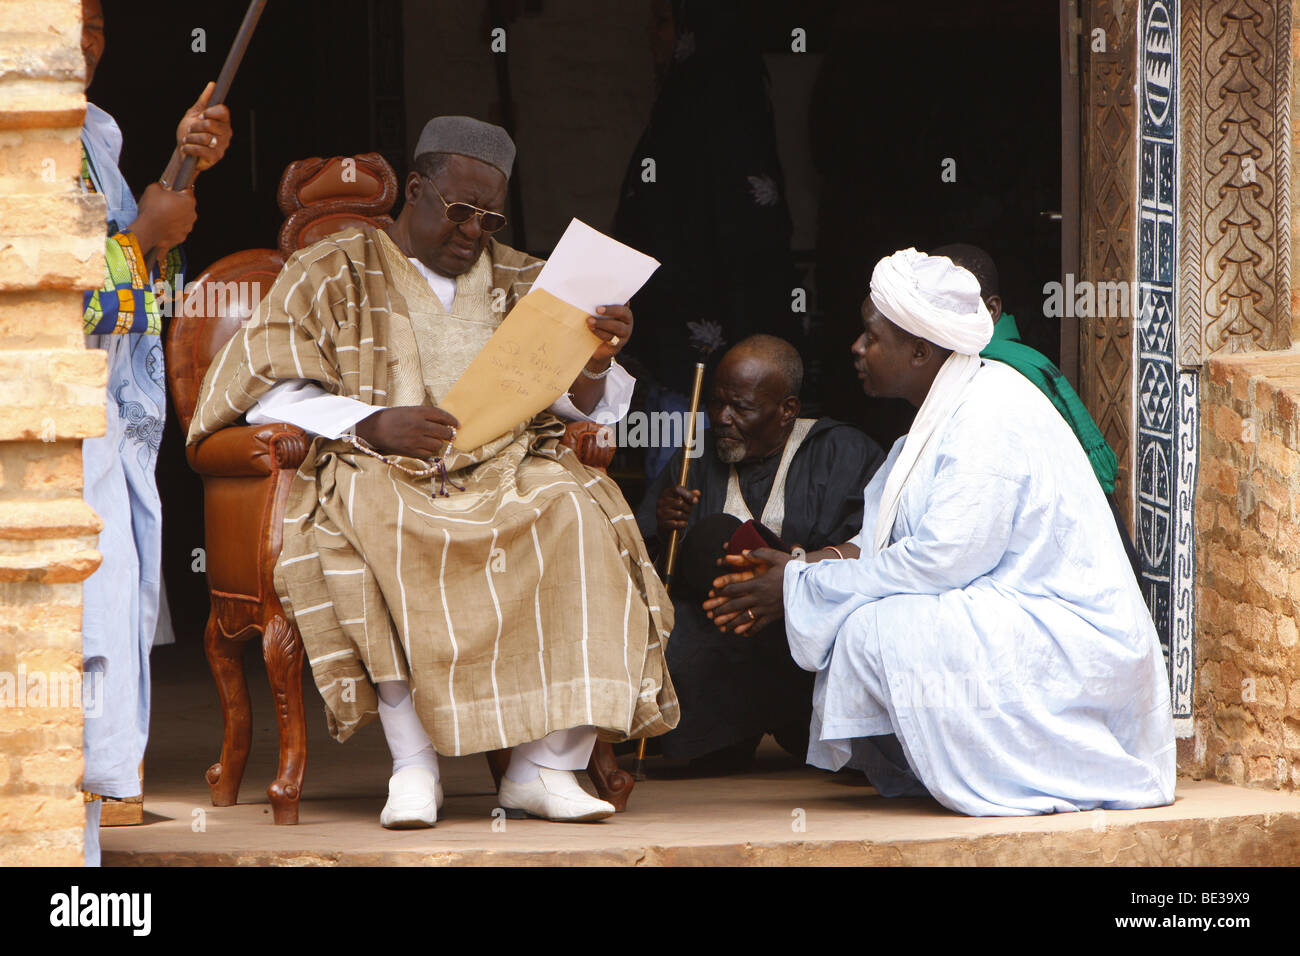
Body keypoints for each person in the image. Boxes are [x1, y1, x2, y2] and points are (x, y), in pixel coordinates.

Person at [189, 116, 678, 827]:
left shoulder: (525, 278)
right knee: (376, 519)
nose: (473, 231)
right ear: (414, 191)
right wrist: (368, 422)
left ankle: (546, 767)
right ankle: (414, 766)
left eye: (489, 216)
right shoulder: (330, 268)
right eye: (458, 210)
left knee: (579, 510)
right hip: (382, 465)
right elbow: (259, 382)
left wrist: (597, 362)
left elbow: (583, 408)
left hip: (509, 464)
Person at [704, 248, 1175, 815]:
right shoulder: (937, 417)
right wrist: (800, 570)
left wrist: (803, 587)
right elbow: (878, 543)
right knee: (861, 618)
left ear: (920, 350)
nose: (856, 347)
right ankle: (940, 766)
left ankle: (1006, 771)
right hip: (1016, 615)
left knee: (876, 627)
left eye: (871, 336)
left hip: (1068, 636)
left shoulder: (988, 413)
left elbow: (939, 562)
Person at [78, 0, 232, 865]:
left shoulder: (96, 129)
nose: (87, 43)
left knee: (109, 648)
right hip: (55, 436)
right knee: (71, 649)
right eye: (67, 23)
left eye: (98, 24)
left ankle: (83, 860)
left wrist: (185, 172)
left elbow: (140, 284)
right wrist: (142, 236)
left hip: (117, 426)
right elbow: (48, 287)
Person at [635, 335, 883, 771]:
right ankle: (728, 731)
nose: (723, 419)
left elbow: (877, 559)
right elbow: (652, 578)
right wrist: (663, 530)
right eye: (716, 404)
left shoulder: (841, 453)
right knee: (711, 543)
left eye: (742, 408)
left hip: (805, 653)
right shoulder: (692, 463)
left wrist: (790, 581)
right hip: (720, 655)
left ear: (787, 410)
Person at [615, 0, 796, 479]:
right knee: (684, 493)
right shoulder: (694, 101)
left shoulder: (709, 102)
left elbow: (736, 231)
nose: (651, 36)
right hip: (689, 346)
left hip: (694, 347)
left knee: (688, 488)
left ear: (694, 29)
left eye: (662, 22)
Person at [932, 244, 1140, 579]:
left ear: (992, 309)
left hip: (1080, 569)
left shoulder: (997, 374)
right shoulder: (990, 366)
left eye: (948, 304)